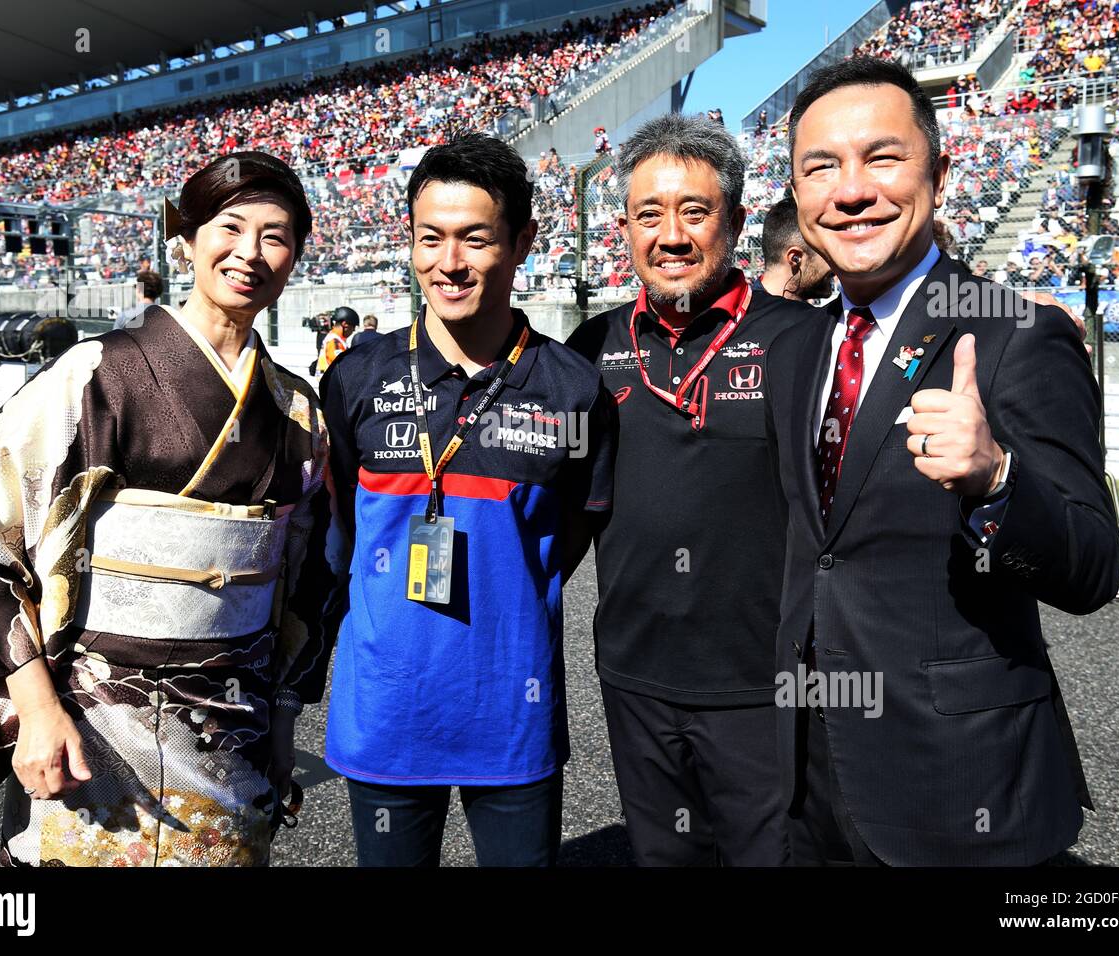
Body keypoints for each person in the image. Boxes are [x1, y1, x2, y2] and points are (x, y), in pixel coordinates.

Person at [0, 151, 337, 867]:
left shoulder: (297, 409)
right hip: (92, 722)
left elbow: (301, 586)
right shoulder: (98, 374)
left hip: (227, 730)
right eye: (229, 227)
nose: (250, 252)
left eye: (276, 235)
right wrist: (39, 711)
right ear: (186, 239)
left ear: (297, 253)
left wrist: (279, 728)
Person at [765, 56, 1119, 866]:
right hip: (811, 784)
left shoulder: (1016, 334)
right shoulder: (797, 348)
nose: (851, 190)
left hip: (963, 783)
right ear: (797, 194)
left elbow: (1097, 568)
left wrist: (998, 480)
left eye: (882, 157)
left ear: (941, 172)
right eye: (821, 167)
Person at [318, 134, 614, 867]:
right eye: (431, 238)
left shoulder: (572, 389)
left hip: (512, 711)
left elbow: (568, 537)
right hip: (386, 708)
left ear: (521, 244)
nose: (450, 262)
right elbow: (339, 534)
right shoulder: (355, 377)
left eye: (475, 239)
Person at [565, 117, 816, 866]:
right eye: (650, 214)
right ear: (624, 229)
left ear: (736, 222)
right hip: (636, 679)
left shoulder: (801, 340)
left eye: (695, 212)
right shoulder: (591, 349)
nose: (671, 235)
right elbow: (560, 503)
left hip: (763, 687)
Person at [318, 306, 358, 373]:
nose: (353, 330)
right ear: (345, 324)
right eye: (353, 326)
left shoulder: (335, 338)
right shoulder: (334, 341)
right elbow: (341, 365)